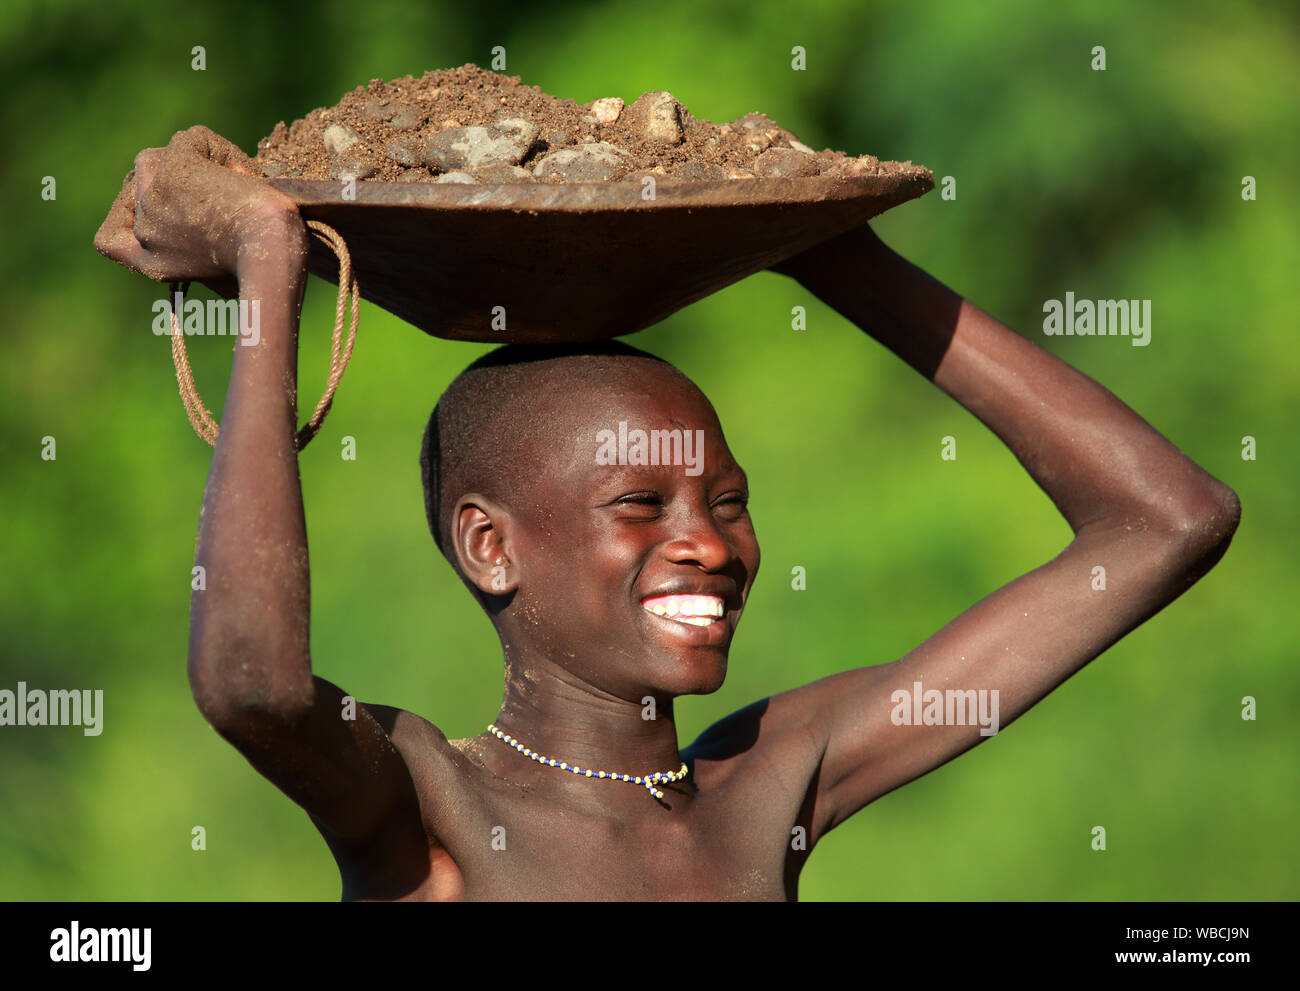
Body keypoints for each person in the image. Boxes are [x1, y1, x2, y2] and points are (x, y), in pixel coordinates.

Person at [95, 126, 1241, 901]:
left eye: (727, 501)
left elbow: (1167, 519)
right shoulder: (428, 798)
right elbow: (253, 685)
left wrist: (830, 255)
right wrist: (267, 260)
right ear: (490, 546)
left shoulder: (777, 779)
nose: (709, 543)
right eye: (640, 504)